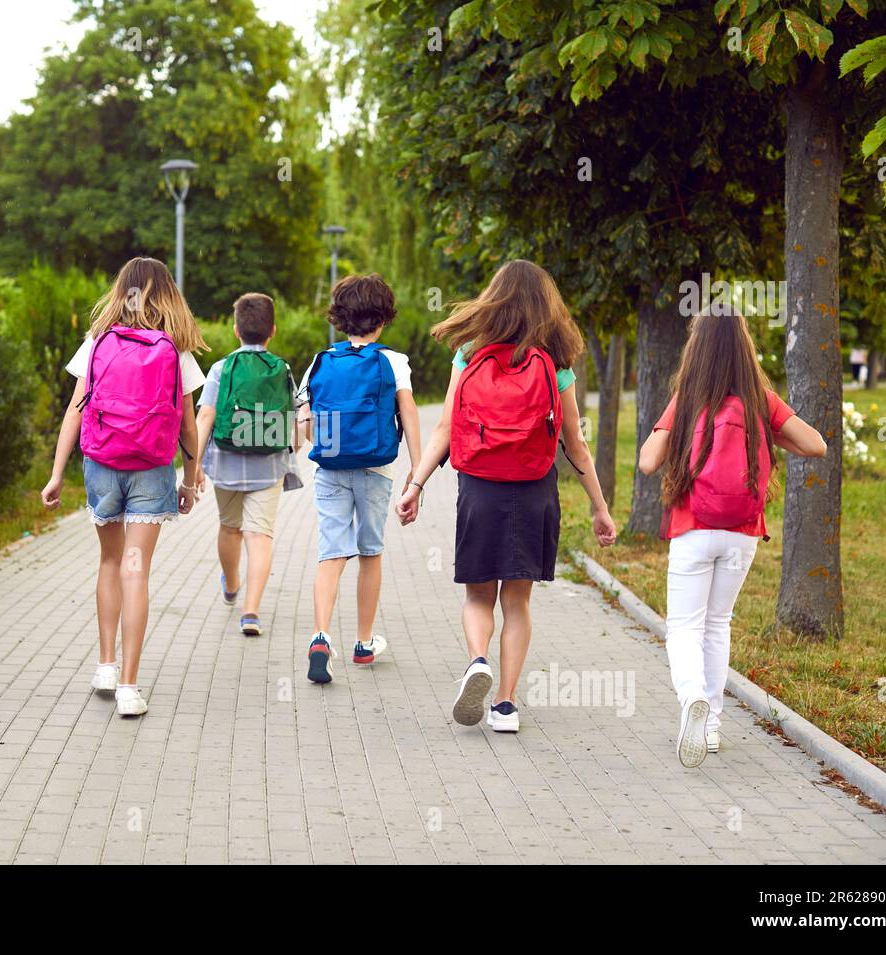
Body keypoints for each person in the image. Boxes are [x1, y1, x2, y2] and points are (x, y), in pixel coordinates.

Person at [396, 259, 615, 732]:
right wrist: (599, 507)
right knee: (517, 602)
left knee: (478, 596)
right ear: (545, 305)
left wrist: (415, 484)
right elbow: (574, 443)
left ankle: (478, 661)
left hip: (479, 487)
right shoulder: (554, 362)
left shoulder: (470, 354)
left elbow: (446, 427)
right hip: (534, 488)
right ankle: (506, 705)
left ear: (494, 298)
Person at [638, 306, 825, 767]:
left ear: (696, 349)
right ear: (744, 348)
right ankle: (714, 724)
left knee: (684, 626)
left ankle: (691, 703)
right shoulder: (761, 399)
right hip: (741, 531)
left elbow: (647, 461)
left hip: (693, 527)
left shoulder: (689, 397)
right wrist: (767, 434)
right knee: (718, 623)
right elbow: (815, 445)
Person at [40, 257, 206, 717]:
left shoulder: (96, 341)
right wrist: (190, 481)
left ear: (121, 291)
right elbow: (188, 429)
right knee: (136, 569)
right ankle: (130, 688)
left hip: (102, 464)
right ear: (167, 294)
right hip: (152, 468)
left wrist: (57, 474)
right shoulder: (176, 348)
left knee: (110, 560)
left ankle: (105, 666)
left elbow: (75, 409)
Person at [296, 273, 421, 683]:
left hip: (330, 469)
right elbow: (409, 415)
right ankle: (364, 643)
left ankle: (320, 636)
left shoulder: (320, 361)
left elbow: (306, 423)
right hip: (376, 469)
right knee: (370, 551)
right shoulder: (393, 361)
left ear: (339, 318)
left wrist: (330, 440)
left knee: (331, 552)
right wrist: (417, 474)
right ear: (383, 317)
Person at [194, 292, 297, 636]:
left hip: (225, 461)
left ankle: (232, 584)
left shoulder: (222, 368)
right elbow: (294, 421)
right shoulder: (282, 369)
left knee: (229, 528)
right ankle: (251, 611)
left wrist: (193, 465)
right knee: (259, 535)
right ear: (273, 331)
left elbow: (206, 415)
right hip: (268, 464)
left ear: (236, 329)